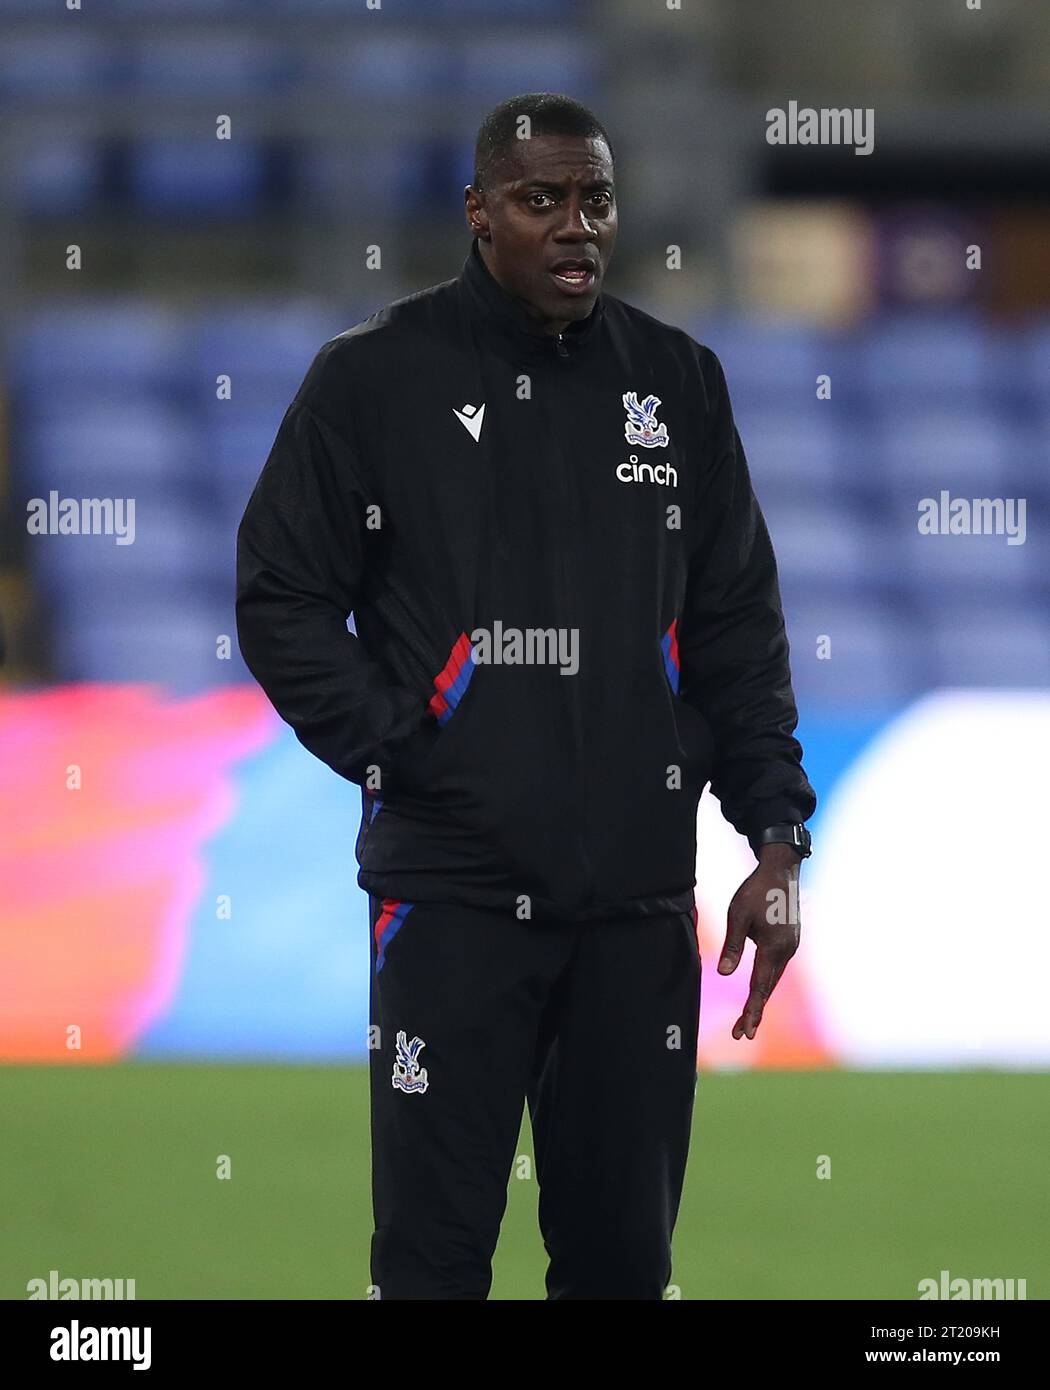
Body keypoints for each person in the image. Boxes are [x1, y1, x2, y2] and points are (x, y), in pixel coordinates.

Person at [236, 92, 816, 1300]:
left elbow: (737, 636)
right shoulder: (374, 381)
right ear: (478, 214)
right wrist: (408, 747)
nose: (575, 226)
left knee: (620, 1270)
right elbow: (281, 597)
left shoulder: (678, 383)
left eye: (595, 198)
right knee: (434, 1268)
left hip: (636, 918)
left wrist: (774, 838)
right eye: (540, 199)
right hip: (450, 907)